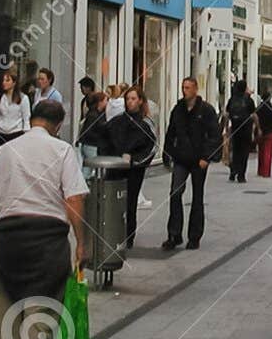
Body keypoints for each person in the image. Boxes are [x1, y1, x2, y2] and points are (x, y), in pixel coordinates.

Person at [0, 99, 87, 339]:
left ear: (32, 120)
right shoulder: (63, 150)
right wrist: (81, 243)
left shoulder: (6, 150)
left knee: (8, 312)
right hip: (47, 240)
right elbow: (74, 199)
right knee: (42, 312)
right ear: (58, 124)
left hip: (9, 238)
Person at [164, 78, 222, 250]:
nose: (185, 90)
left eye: (188, 88)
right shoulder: (178, 109)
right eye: (183, 87)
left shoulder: (206, 110)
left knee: (197, 197)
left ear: (196, 89)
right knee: (175, 193)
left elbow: (214, 135)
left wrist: (207, 157)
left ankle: (194, 236)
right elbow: (171, 132)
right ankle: (174, 234)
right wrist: (168, 153)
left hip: (199, 160)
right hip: (181, 158)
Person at [109, 85, 157, 248]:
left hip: (134, 169)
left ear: (140, 101)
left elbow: (151, 148)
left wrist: (135, 160)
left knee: (130, 202)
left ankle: (129, 236)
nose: (130, 102)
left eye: (133, 99)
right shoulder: (118, 121)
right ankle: (114, 232)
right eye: (128, 99)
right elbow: (106, 138)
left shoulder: (145, 123)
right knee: (114, 201)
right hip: (116, 167)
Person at [0, 68, 31, 161]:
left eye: (7, 80)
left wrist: (27, 140)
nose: (4, 83)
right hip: (0, 134)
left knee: (14, 161)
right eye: (3, 80)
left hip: (16, 134)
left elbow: (26, 120)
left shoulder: (23, 98)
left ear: (14, 83)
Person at [225, 80, 257, 183]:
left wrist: (226, 128)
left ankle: (233, 171)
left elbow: (227, 115)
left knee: (235, 151)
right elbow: (254, 115)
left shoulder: (232, 99)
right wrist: (257, 128)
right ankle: (241, 175)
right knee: (244, 152)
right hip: (246, 129)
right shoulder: (249, 100)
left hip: (235, 128)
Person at [255, 89, 272, 178]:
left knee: (261, 152)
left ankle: (260, 170)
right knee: (268, 152)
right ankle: (266, 172)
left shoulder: (259, 108)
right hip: (270, 131)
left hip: (260, 131)